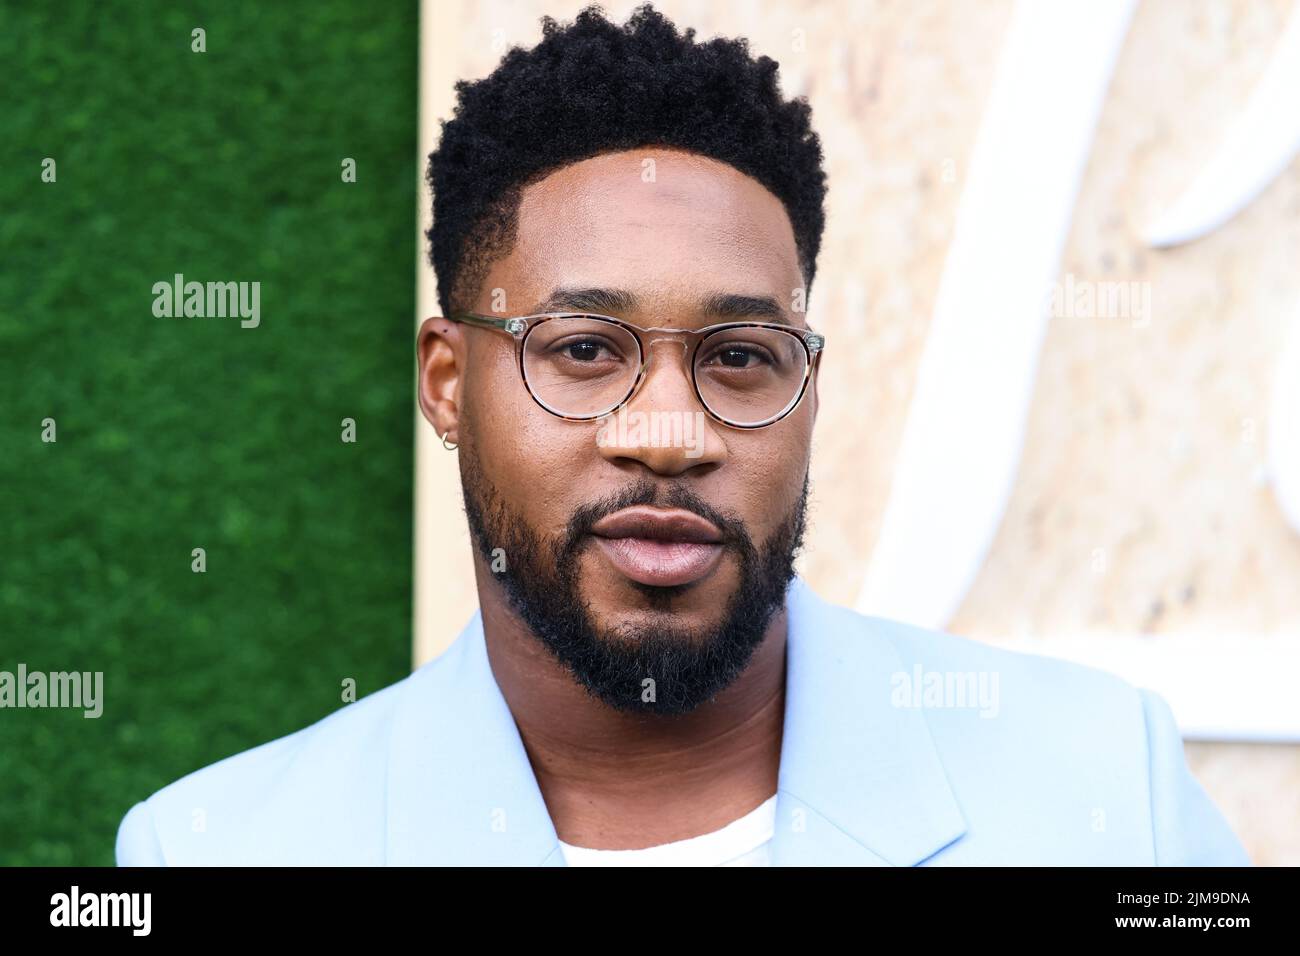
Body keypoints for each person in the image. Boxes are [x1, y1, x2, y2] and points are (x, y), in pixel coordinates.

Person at [116, 3, 1249, 866]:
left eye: (740, 359)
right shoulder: (220, 847)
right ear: (448, 381)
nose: (667, 434)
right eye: (584, 350)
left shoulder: (1107, 789)